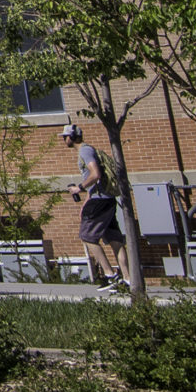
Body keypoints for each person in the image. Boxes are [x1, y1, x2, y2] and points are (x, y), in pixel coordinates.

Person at [63, 122, 128, 291]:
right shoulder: (89, 149)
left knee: (87, 236)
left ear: (70, 137)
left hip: (99, 201)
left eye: (64, 137)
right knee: (115, 240)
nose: (64, 140)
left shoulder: (84, 151)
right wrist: (86, 202)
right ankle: (128, 278)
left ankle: (109, 274)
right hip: (106, 199)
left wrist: (79, 188)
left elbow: (96, 174)